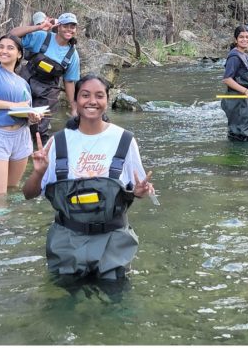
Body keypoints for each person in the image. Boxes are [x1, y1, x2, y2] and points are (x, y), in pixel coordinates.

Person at [22, 74, 156, 281]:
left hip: (114, 243)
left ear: (107, 100)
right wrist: (38, 172)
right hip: (66, 243)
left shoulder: (125, 140)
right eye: (85, 95)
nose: (92, 101)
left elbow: (139, 189)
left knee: (115, 304)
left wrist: (140, 192)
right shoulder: (58, 141)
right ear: (75, 101)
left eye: (99, 95)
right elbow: (28, 194)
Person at [0, 34, 43, 195]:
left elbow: (25, 112)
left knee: (12, 190)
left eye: (10, 48)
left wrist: (33, 116)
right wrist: (14, 105)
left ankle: (11, 221)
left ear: (19, 54)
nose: (4, 51)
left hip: (22, 136)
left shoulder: (23, 83)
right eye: (1, 46)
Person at [10, 12, 81, 144]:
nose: (69, 30)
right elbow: (13, 34)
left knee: (38, 130)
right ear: (58, 26)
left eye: (72, 27)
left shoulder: (73, 55)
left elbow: (69, 81)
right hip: (25, 83)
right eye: (66, 26)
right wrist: (39, 27)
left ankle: (36, 157)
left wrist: (74, 107)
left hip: (48, 93)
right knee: (14, 119)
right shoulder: (42, 37)